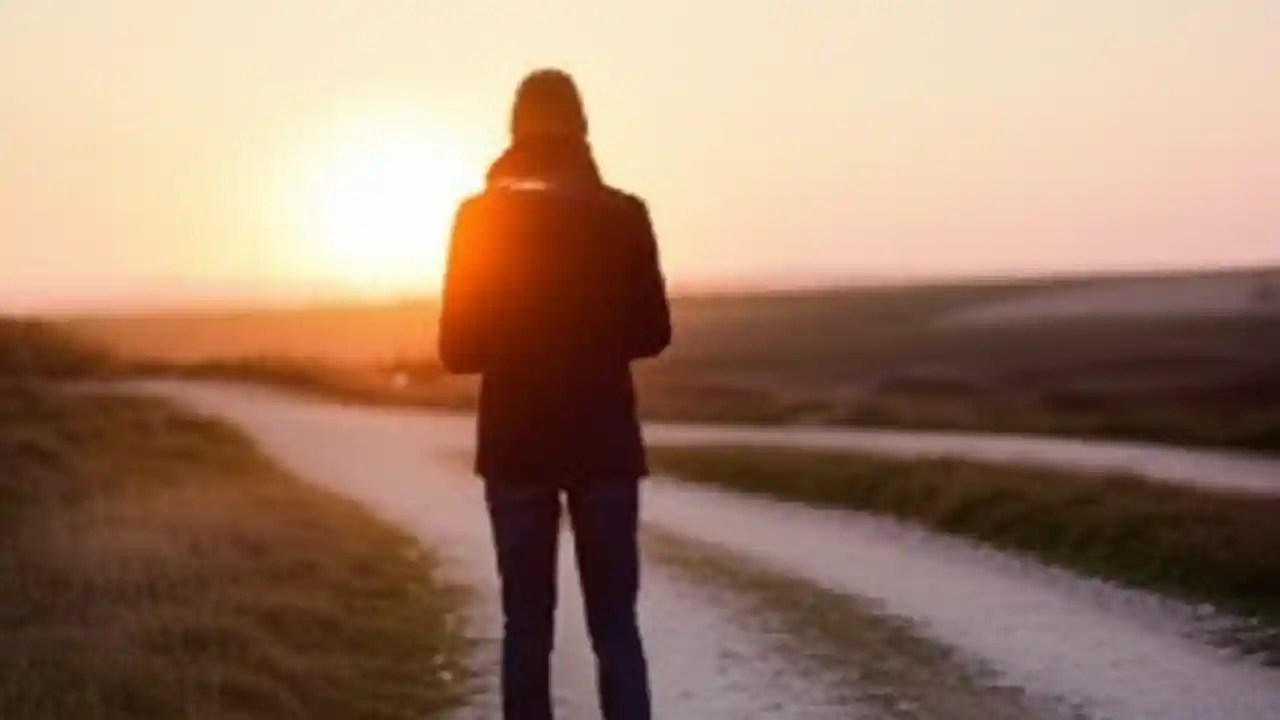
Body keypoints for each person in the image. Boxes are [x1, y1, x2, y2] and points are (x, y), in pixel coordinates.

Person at [439, 69, 670, 720]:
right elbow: (654, 333)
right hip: (604, 441)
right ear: (583, 126)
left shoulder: (478, 219)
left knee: (526, 629)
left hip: (516, 443)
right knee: (615, 627)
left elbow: (456, 350)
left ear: (514, 128)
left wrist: (519, 335)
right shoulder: (623, 213)